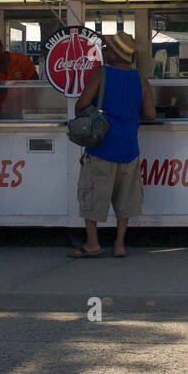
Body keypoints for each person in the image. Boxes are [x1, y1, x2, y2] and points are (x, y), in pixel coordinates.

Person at [69, 31, 156, 257]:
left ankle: (93, 243)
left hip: (102, 148)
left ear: (117, 55)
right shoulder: (140, 79)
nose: (104, 52)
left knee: (92, 196)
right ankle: (119, 244)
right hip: (129, 148)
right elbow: (150, 114)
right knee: (124, 200)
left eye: (108, 49)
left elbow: (81, 106)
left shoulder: (101, 74)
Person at [0, 33, 38, 118]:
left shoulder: (22, 60)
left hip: (28, 113)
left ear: (1, 47)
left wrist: (31, 108)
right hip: (4, 116)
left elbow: (35, 85)